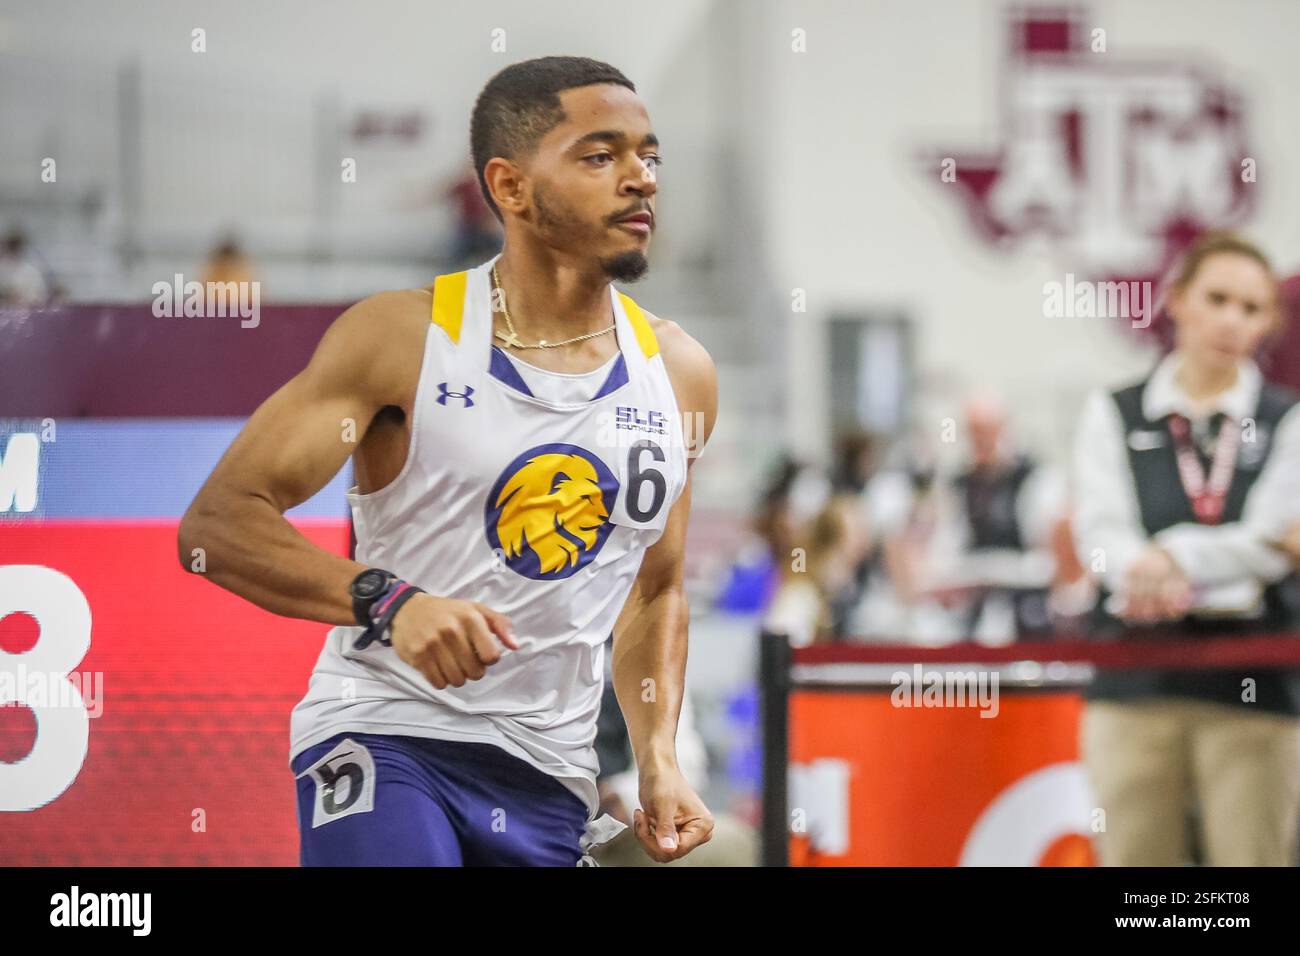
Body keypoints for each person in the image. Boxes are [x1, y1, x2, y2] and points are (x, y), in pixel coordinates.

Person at [179, 56, 718, 866]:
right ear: (509, 187)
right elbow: (217, 525)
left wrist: (658, 758)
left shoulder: (681, 372)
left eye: (650, 155)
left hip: (550, 772)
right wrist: (392, 603)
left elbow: (657, 587)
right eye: (600, 156)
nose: (640, 179)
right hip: (388, 734)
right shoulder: (402, 338)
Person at [1072, 231, 1300, 866]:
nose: (1231, 320)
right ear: (1178, 301)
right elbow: (1100, 533)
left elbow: (1273, 543)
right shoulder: (1114, 410)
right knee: (1141, 884)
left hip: (1255, 685)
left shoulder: (1288, 420)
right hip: (1133, 681)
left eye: (1251, 308)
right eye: (1217, 298)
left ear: (1268, 324)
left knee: (1247, 877)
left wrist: (1170, 557)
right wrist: (1139, 567)